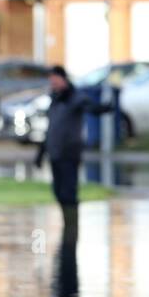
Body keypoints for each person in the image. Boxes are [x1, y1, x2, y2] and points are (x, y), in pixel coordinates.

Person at [34, 65, 111, 213]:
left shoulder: (76, 97)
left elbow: (90, 107)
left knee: (69, 192)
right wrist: (41, 153)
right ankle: (67, 229)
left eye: (55, 81)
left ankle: (71, 230)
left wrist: (103, 108)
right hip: (55, 152)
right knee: (58, 191)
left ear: (63, 79)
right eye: (51, 82)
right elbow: (50, 129)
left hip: (69, 152)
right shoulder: (54, 99)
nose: (53, 85)